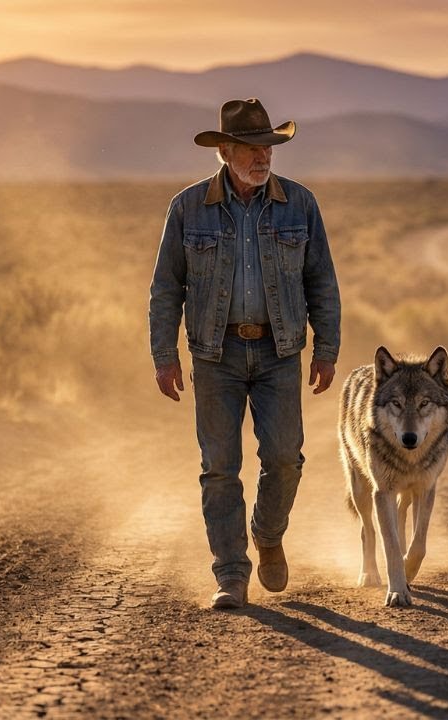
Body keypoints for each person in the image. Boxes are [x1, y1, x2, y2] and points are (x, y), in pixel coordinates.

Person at [149, 98, 341, 609]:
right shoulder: (188, 208)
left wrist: (327, 348)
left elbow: (321, 279)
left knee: (284, 458)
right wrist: (163, 355)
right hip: (216, 354)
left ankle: (268, 535)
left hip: (280, 351)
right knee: (220, 467)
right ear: (226, 152)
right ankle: (231, 575)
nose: (264, 158)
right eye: (253, 149)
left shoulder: (300, 204)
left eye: (269, 148)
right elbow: (166, 287)